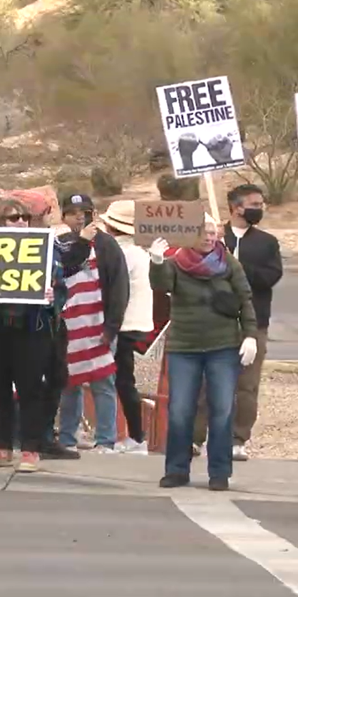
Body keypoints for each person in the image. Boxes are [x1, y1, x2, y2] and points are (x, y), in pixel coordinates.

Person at [150, 220, 254, 491]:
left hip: (223, 347)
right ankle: (176, 470)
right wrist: (158, 261)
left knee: (222, 410)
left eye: (212, 233)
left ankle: (219, 472)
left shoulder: (230, 264)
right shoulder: (176, 263)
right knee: (180, 411)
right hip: (184, 348)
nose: (209, 237)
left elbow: (245, 300)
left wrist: (251, 335)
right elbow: (160, 284)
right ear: (189, 235)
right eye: (202, 233)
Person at [0, 198, 62, 473]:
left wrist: (53, 295)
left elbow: (60, 284)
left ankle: (30, 448)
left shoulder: (44, 248)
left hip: (30, 329)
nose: (20, 222)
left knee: (30, 389)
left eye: (24, 217)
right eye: (13, 217)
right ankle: (0, 445)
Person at [195, 183, 283, 462]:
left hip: (254, 323)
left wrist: (239, 265)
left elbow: (271, 277)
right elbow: (194, 271)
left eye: (261, 204)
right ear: (236, 207)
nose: (260, 209)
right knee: (206, 382)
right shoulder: (212, 236)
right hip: (214, 321)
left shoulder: (267, 242)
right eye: (254, 204)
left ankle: (237, 438)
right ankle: (195, 437)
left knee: (247, 385)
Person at [52, 193, 129, 455]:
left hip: (100, 324)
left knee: (103, 382)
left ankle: (106, 440)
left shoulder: (107, 245)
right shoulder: (59, 245)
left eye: (85, 212)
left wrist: (111, 327)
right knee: (69, 384)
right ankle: (67, 437)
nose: (79, 217)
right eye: (73, 212)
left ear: (94, 215)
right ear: (63, 217)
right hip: (69, 327)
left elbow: (120, 288)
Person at [96, 200, 156, 454]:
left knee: (121, 381)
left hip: (124, 323)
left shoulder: (120, 253)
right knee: (124, 380)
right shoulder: (138, 251)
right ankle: (135, 434)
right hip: (138, 321)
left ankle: (136, 436)